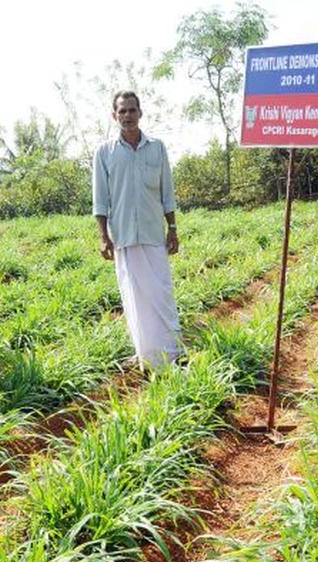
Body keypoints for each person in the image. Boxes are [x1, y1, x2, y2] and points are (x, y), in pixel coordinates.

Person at [92, 91, 183, 369]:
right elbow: (101, 199)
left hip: (154, 233)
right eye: (122, 111)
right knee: (134, 297)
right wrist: (103, 236)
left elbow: (166, 192)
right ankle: (146, 354)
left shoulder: (157, 148)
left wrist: (173, 229)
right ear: (114, 115)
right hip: (124, 236)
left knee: (161, 293)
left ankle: (172, 351)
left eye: (132, 110)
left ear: (140, 113)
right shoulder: (104, 152)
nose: (127, 116)